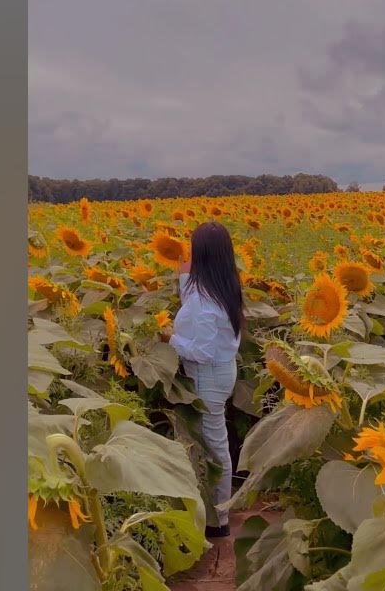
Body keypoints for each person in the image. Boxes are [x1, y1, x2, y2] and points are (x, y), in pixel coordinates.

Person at [158, 221, 244, 538]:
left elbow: (203, 351)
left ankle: (219, 518)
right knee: (211, 439)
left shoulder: (207, 302)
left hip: (208, 373)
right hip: (219, 371)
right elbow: (190, 299)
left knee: (214, 443)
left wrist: (171, 341)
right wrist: (183, 272)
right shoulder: (220, 283)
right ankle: (214, 507)